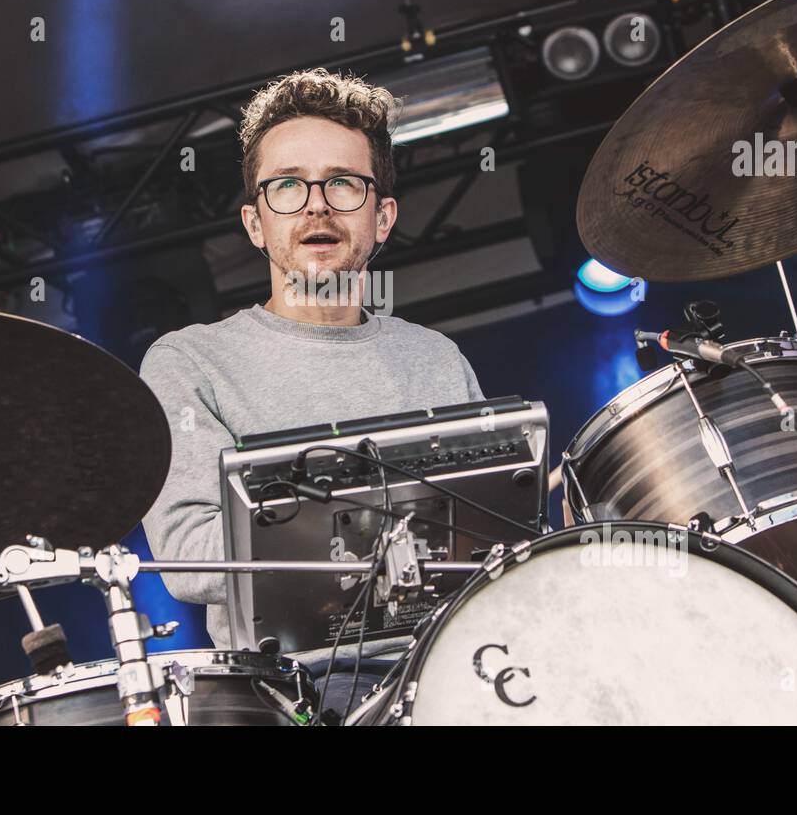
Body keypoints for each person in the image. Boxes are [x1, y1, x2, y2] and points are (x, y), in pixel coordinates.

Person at [139, 67, 552, 721]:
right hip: (294, 697)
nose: (316, 204)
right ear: (254, 222)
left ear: (382, 216)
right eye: (287, 186)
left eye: (342, 183)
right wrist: (381, 539)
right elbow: (190, 557)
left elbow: (495, 547)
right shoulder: (190, 362)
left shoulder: (435, 360)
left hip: (457, 676)